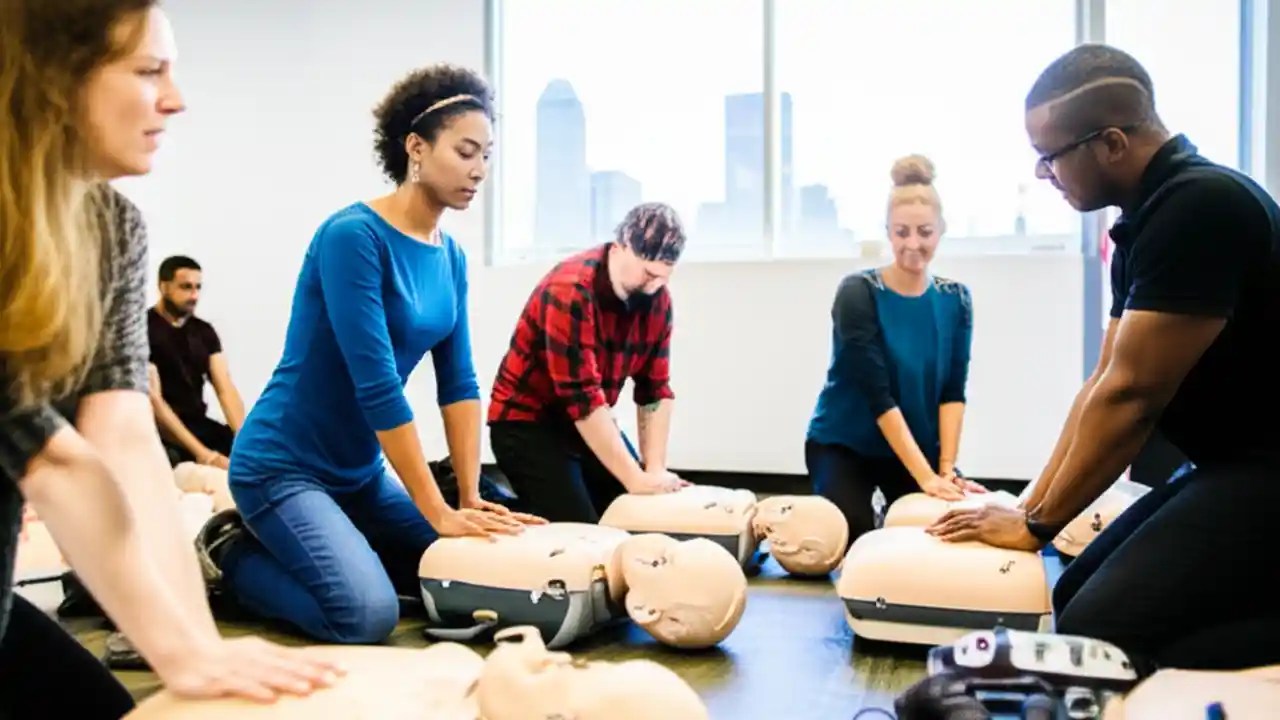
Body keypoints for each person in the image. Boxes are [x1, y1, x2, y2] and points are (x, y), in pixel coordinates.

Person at [0, 1, 343, 716]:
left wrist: (198, 645)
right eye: (149, 70)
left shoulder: (111, 228)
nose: (176, 99)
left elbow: (122, 440)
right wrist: (182, 653)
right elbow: (55, 462)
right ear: (53, 78)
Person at [928, 44, 1280, 675]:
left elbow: (1132, 400)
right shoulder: (1147, 219)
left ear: (1111, 143)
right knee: (1073, 594)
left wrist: (1035, 526)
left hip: (1266, 472)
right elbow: (1102, 383)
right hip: (1230, 464)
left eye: (1050, 158)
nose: (1043, 175)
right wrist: (1030, 507)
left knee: (1100, 633)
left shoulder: (1201, 208)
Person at [196, 63, 542, 645]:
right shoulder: (352, 236)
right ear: (416, 147)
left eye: (487, 154)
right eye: (464, 151)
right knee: (364, 614)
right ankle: (230, 557)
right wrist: (434, 510)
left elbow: (458, 383)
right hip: (283, 467)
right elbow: (377, 385)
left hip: (358, 474)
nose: (479, 170)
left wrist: (469, 493)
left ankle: (322, 543)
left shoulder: (449, 256)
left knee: (466, 568)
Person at [805, 155, 983, 547]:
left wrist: (946, 472)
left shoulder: (956, 300)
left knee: (945, 530)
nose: (913, 244)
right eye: (901, 232)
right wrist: (926, 480)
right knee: (852, 535)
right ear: (888, 231)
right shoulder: (858, 292)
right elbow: (877, 396)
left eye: (924, 232)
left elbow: (953, 391)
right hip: (845, 443)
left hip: (915, 448)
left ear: (941, 231)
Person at [487, 203, 691, 523]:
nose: (653, 285)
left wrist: (653, 472)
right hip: (528, 424)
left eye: (662, 278)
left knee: (632, 517)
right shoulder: (571, 289)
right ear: (620, 246)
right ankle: (480, 500)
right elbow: (581, 397)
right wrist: (634, 480)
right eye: (647, 273)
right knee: (583, 533)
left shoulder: (658, 300)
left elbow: (655, 391)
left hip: (588, 422)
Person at [148, 254, 244, 469]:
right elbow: (154, 401)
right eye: (185, 287)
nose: (194, 295)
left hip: (198, 424)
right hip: (161, 430)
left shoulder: (204, 332)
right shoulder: (143, 330)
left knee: (257, 460)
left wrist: (244, 441)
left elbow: (225, 388)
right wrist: (204, 455)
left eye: (197, 287)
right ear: (164, 286)